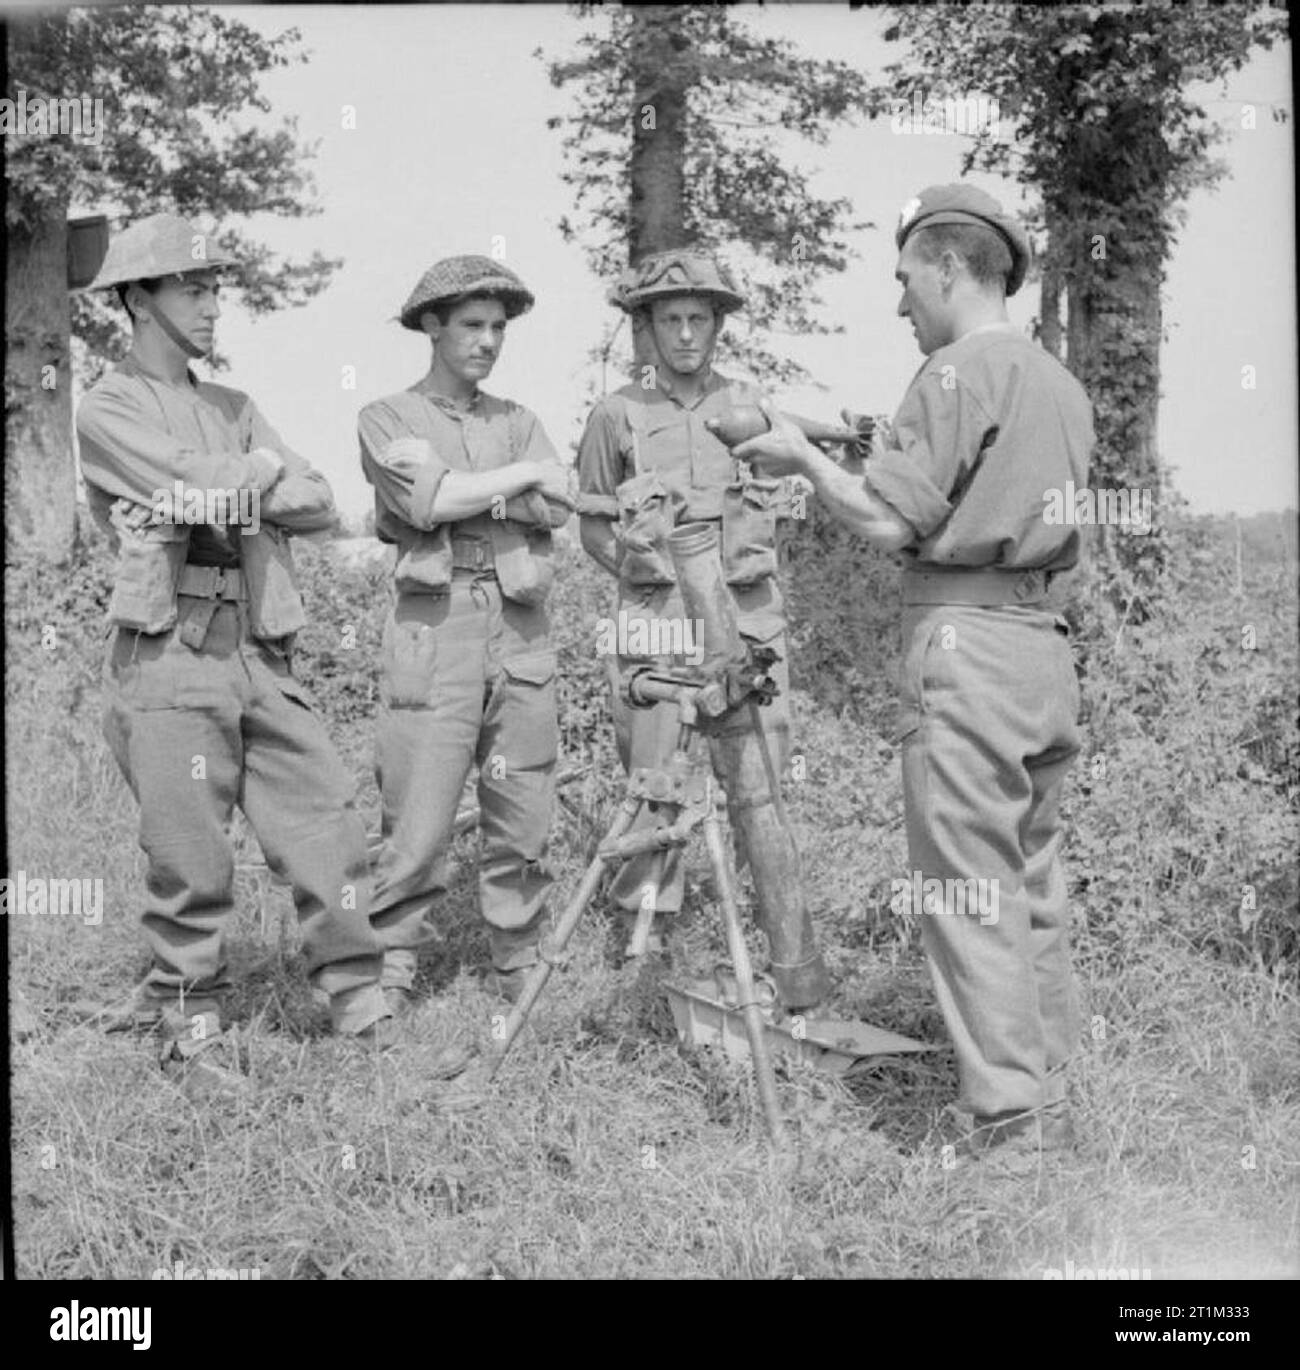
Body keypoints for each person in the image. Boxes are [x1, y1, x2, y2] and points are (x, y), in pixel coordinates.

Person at [734, 185, 1095, 1169]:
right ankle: (1050, 1100)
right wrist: (843, 440)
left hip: (964, 647)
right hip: (1041, 648)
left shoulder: (949, 373)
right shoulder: (1054, 381)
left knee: (966, 891)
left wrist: (804, 458)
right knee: (1029, 882)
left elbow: (890, 520)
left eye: (903, 280)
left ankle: (1011, 1138)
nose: (898, 304)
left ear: (946, 268)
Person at [75, 213, 392, 1096]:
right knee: (191, 852)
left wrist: (238, 474)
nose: (213, 306)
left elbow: (319, 499)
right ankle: (191, 1023)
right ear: (139, 299)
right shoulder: (108, 405)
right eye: (193, 288)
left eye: (216, 288)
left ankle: (361, 1003)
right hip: (170, 651)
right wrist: (249, 473)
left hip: (259, 646)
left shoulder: (233, 405)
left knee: (327, 820)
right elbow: (199, 486)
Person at [575, 248, 830, 1012]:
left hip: (748, 620)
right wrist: (635, 573)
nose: (685, 334)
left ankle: (775, 947)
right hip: (658, 619)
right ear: (646, 330)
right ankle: (645, 948)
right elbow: (592, 523)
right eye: (669, 320)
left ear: (719, 327)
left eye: (699, 319)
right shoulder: (616, 415)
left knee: (761, 776)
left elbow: (802, 484)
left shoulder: (752, 409)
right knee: (655, 781)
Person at [359, 255, 573, 1011]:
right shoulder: (386, 416)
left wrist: (469, 490)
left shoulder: (516, 420)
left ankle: (518, 957)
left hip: (518, 626)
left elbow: (565, 497)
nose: (488, 342)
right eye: (472, 326)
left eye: (498, 329)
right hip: (434, 624)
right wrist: (517, 482)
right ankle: (389, 970)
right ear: (431, 327)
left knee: (524, 800)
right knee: (418, 807)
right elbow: (426, 504)